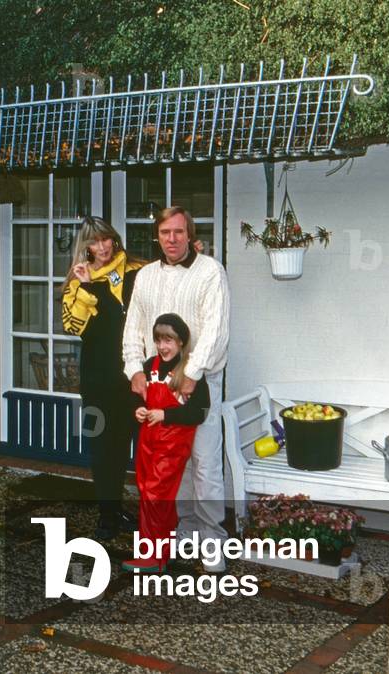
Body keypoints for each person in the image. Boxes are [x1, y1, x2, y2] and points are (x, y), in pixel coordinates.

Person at [121, 206, 230, 572]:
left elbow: (215, 328)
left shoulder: (210, 272)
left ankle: (212, 539)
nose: (172, 239)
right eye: (165, 232)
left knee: (204, 463)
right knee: (168, 465)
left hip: (200, 381)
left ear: (190, 234)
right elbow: (133, 327)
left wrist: (192, 372)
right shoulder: (145, 276)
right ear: (157, 236)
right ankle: (183, 530)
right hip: (157, 382)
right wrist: (134, 369)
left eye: (179, 232)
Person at [62, 216, 147, 540]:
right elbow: (74, 327)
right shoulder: (77, 282)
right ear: (85, 247)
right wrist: (86, 288)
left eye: (106, 238)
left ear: (115, 238)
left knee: (142, 448)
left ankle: (154, 517)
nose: (102, 247)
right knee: (104, 450)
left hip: (135, 375)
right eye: (94, 242)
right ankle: (108, 516)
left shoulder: (138, 270)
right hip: (98, 380)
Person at [122, 314, 209, 572]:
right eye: (159, 340)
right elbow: (135, 397)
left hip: (173, 444)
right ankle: (164, 549)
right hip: (148, 440)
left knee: (155, 494)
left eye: (168, 340)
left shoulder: (190, 371)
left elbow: (200, 412)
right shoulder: (149, 366)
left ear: (181, 341)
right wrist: (138, 409)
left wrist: (166, 415)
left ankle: (152, 557)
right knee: (146, 490)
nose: (162, 346)